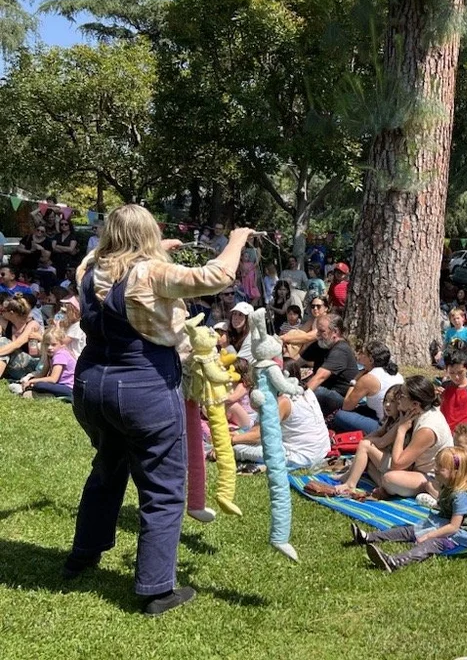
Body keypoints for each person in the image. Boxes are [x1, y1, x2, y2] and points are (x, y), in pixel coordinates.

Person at [65, 204, 252, 615]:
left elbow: (104, 258)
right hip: (142, 384)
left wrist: (157, 247)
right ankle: (155, 589)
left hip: (91, 384)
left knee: (107, 467)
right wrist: (237, 238)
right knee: (164, 487)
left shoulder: (89, 268)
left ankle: (82, 555)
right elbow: (216, 277)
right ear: (148, 235)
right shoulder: (150, 273)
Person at [351, 446, 467, 571]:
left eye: (441, 467)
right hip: (445, 523)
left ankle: (395, 561)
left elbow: (454, 527)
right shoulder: (449, 486)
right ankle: (367, 537)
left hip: (463, 534)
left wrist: (429, 535)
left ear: (455, 473)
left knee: (432, 544)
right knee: (409, 530)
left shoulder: (462, 495)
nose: (436, 469)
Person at [231, 384, 331, 469]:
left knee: (238, 449)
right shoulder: (305, 391)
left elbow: (259, 435)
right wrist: (239, 435)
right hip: (323, 450)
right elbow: (257, 430)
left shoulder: (282, 403)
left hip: (301, 456)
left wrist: (232, 439)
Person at [336, 340, 405, 434]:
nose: (360, 356)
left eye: (363, 354)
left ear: (371, 359)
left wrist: (354, 381)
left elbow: (346, 406)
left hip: (385, 427)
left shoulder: (369, 378)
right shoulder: (396, 374)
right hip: (398, 421)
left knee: (340, 415)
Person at [302, 313, 359, 420]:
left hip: (341, 398)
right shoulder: (322, 344)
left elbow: (320, 377)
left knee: (316, 391)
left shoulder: (341, 350)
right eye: (317, 330)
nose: (317, 334)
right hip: (326, 392)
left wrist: (300, 398)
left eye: (322, 331)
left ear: (335, 332)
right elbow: (297, 362)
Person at [20, 324, 76, 399]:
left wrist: (33, 381)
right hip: (59, 385)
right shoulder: (51, 355)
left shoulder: (60, 355)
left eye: (53, 345)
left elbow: (53, 379)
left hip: (68, 388)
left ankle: (48, 396)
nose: (49, 347)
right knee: (36, 383)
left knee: (39, 385)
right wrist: (30, 381)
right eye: (47, 344)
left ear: (62, 344)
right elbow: (43, 374)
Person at [438, 342, 467, 431]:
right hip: (445, 431)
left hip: (463, 434)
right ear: (446, 370)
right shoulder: (445, 386)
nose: (456, 377)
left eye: (460, 372)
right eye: (452, 373)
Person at [0, 294, 43, 381]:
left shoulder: (32, 325)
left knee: (4, 341)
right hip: (14, 363)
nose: (1, 313)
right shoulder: (5, 322)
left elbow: (17, 344)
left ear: (11, 313)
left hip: (30, 366)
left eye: (2, 311)